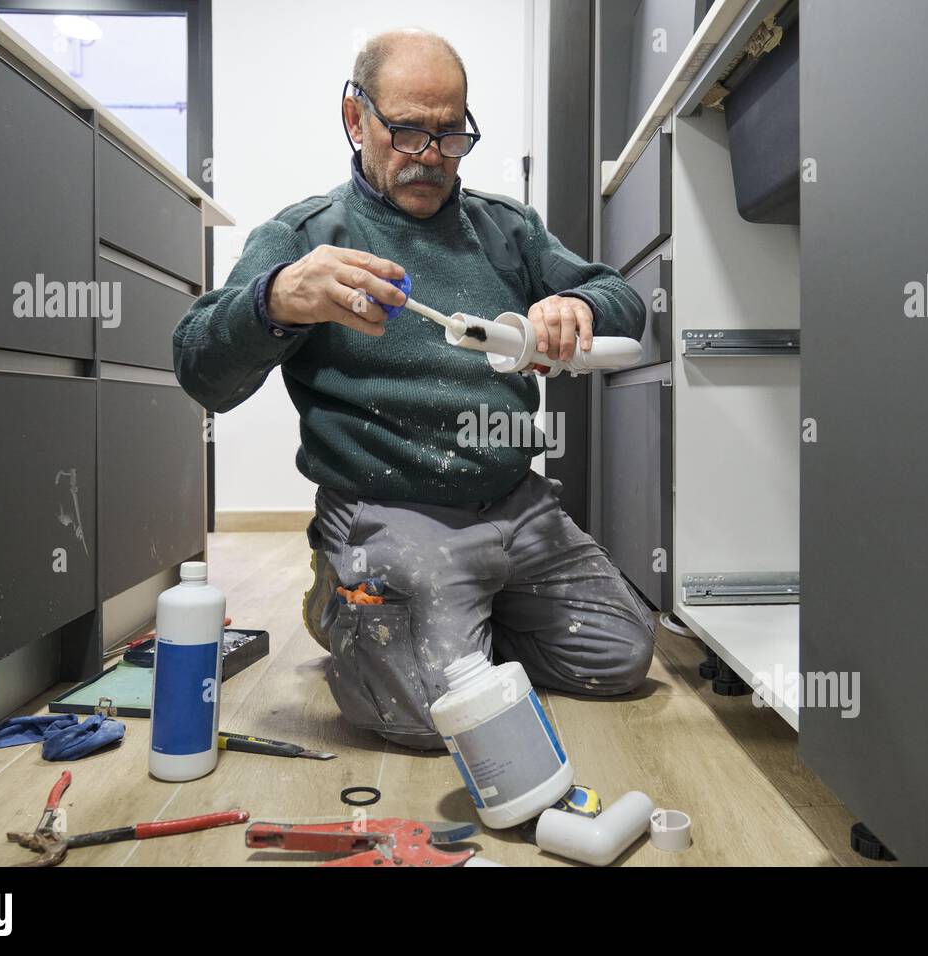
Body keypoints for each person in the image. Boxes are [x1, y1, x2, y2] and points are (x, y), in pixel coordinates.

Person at [174, 28, 654, 749]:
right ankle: (349, 597)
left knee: (620, 653)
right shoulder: (306, 237)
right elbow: (199, 369)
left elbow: (619, 296)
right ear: (355, 118)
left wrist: (579, 307)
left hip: (517, 506)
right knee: (428, 720)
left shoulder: (508, 228)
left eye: (450, 134)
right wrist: (273, 300)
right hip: (387, 509)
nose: (431, 157)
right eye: (406, 131)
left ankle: (451, 621)